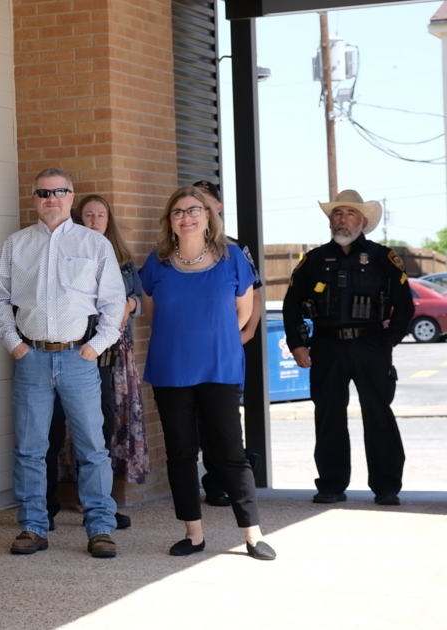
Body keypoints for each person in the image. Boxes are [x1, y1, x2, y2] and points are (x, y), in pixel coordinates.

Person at [0, 168, 124, 558]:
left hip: (79, 358)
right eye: (43, 193)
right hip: (31, 358)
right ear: (34, 198)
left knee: (92, 449)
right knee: (30, 448)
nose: (51, 198)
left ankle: (100, 528)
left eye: (59, 192)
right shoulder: (17, 244)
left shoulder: (94, 244)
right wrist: (14, 344)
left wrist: (96, 346)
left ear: (71, 196)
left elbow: (114, 301)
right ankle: (33, 526)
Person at [139, 186, 275, 561]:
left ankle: (252, 534)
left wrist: (214, 339)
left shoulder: (232, 257)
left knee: (230, 451)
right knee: (181, 452)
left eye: (194, 210)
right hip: (170, 367)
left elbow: (244, 312)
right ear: (170, 220)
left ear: (208, 216)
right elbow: (154, 315)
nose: (187, 217)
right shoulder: (156, 263)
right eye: (179, 212)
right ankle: (194, 534)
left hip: (219, 365)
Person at [281, 190, 412, 506]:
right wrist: (297, 344)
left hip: (370, 344)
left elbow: (405, 306)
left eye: (349, 214)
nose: (342, 220)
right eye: (337, 214)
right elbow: (292, 303)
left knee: (378, 414)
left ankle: (386, 486)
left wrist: (388, 342)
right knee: (328, 416)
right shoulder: (314, 260)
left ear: (363, 221)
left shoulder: (383, 258)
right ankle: (331, 484)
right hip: (327, 346)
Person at [44, 195, 148, 531]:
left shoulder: (123, 261)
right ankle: (46, 505)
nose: (94, 219)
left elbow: (140, 303)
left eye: (100, 215)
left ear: (109, 221)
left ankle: (102, 506)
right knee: (53, 427)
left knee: (99, 431)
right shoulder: (66, 252)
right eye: (88, 214)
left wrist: (128, 302)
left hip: (106, 356)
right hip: (64, 349)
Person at [192, 180, 265, 507]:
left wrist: (247, 331)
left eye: (205, 203)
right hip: (190, 350)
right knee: (198, 418)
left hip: (225, 346)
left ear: (217, 209)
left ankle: (233, 478)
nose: (200, 209)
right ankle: (215, 482)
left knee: (224, 417)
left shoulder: (234, 248)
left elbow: (256, 291)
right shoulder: (179, 249)